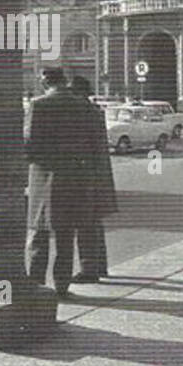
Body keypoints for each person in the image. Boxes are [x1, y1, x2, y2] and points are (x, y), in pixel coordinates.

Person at [24, 68, 89, 297]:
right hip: (74, 175)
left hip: (44, 176)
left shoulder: (39, 104)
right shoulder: (81, 104)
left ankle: (35, 286)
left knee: (39, 234)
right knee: (65, 235)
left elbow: (30, 144)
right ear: (63, 81)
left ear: (45, 82)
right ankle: (62, 287)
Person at [69, 76, 116, 283]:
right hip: (97, 173)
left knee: (84, 222)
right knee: (94, 222)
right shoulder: (94, 111)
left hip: (84, 175)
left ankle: (89, 269)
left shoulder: (80, 114)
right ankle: (100, 266)